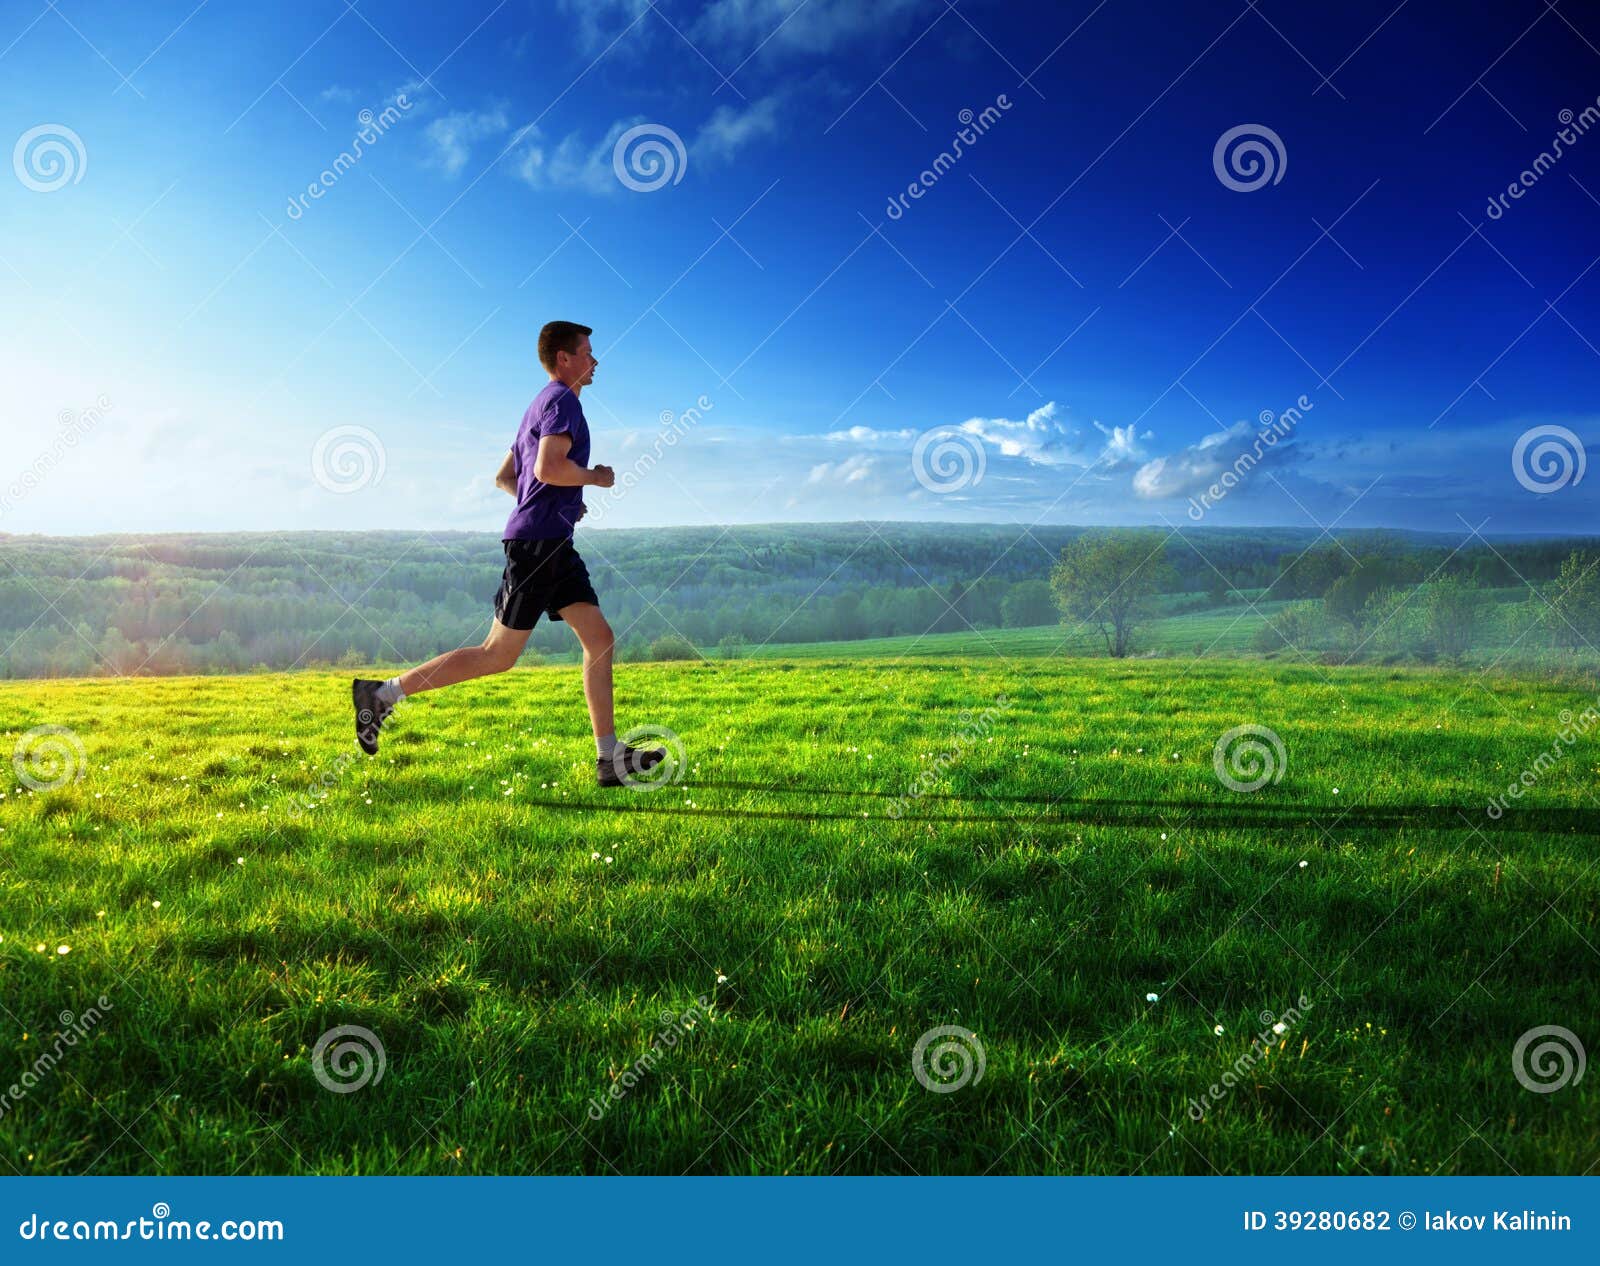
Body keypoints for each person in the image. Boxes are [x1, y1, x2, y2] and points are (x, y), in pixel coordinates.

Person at [351, 320, 665, 788]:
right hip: (538, 547)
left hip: (552, 543)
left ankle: (609, 759)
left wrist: (553, 502)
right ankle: (382, 694)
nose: (594, 362)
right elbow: (549, 467)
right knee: (497, 655)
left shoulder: (537, 407)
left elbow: (506, 476)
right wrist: (593, 478)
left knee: (600, 639)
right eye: (587, 353)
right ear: (564, 358)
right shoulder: (561, 402)